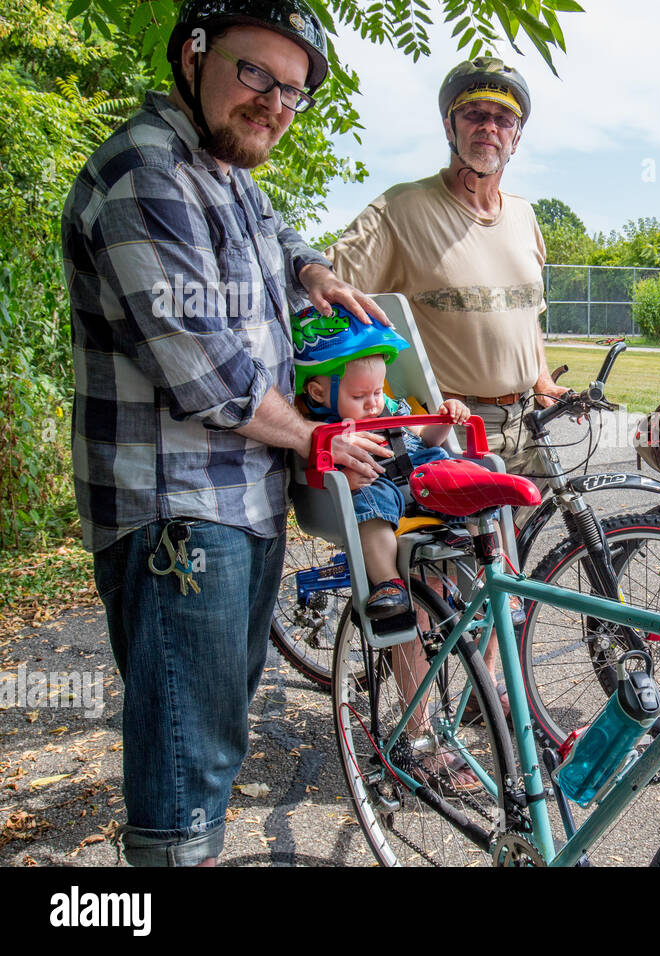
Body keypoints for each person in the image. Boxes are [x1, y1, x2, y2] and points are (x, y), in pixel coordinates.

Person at [62, 0, 388, 866]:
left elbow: (273, 233)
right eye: (255, 75)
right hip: (178, 510)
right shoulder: (145, 171)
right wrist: (319, 439)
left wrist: (313, 266)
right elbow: (203, 374)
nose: (274, 104)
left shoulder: (225, 171)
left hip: (238, 500)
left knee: (212, 735)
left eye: (292, 91)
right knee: (185, 768)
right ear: (193, 55)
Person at [326, 56, 570, 505]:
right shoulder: (400, 209)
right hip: (451, 426)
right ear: (448, 126)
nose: (488, 127)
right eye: (474, 114)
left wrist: (542, 382)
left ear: (517, 136)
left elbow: (526, 314)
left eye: (503, 118)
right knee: (454, 568)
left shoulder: (524, 215)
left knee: (519, 562)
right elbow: (323, 293)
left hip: (526, 425)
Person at [292, 305, 471, 618]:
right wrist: (341, 483)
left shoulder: (386, 405)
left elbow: (427, 438)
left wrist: (446, 417)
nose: (373, 403)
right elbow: (314, 472)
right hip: (378, 489)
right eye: (360, 396)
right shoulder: (315, 430)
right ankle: (389, 583)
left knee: (471, 481)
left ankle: (492, 566)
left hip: (424, 478)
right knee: (369, 508)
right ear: (319, 393)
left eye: (377, 391)